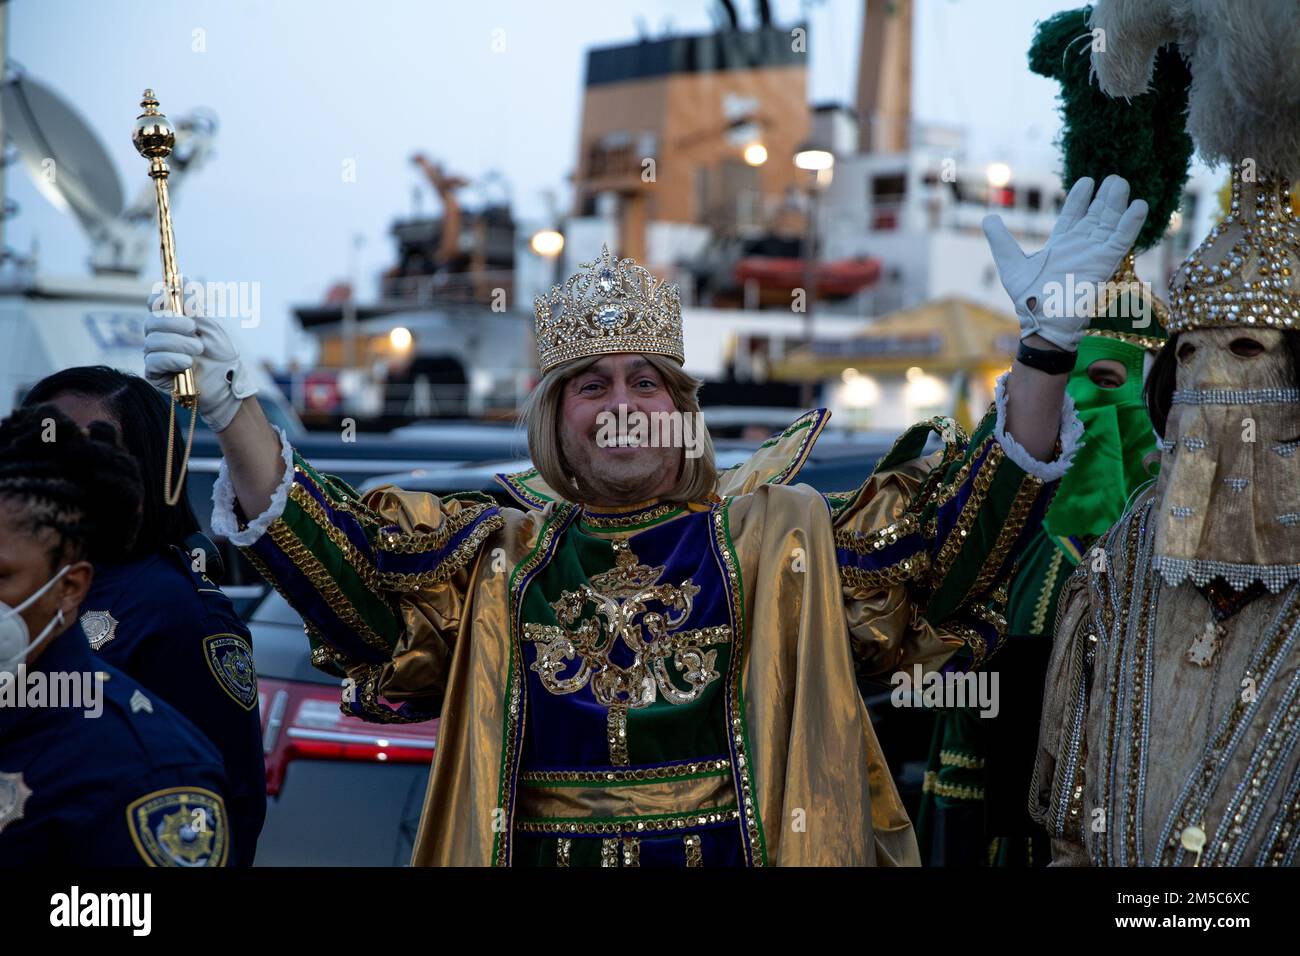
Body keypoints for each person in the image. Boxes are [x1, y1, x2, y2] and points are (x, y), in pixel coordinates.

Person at [143, 174, 1144, 864]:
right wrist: (235, 416)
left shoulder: (775, 537)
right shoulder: (499, 559)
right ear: (554, 415)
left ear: (678, 407)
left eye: (642, 379)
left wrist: (1046, 352)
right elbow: (362, 590)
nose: (618, 399)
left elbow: (942, 555)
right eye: (589, 383)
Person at [915, 3, 1185, 867]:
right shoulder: (974, 518)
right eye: (1080, 385)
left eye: (1118, 386)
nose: (1102, 418)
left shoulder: (1197, 537)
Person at [1032, 0, 1300, 866]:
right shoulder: (1122, 556)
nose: (1208, 379)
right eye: (1189, 353)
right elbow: (1070, 816)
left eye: (1248, 350)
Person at [23, 366, 265, 866]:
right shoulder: (26, 589)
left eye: (88, 448)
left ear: (147, 468)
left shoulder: (185, 616)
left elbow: (223, 816)